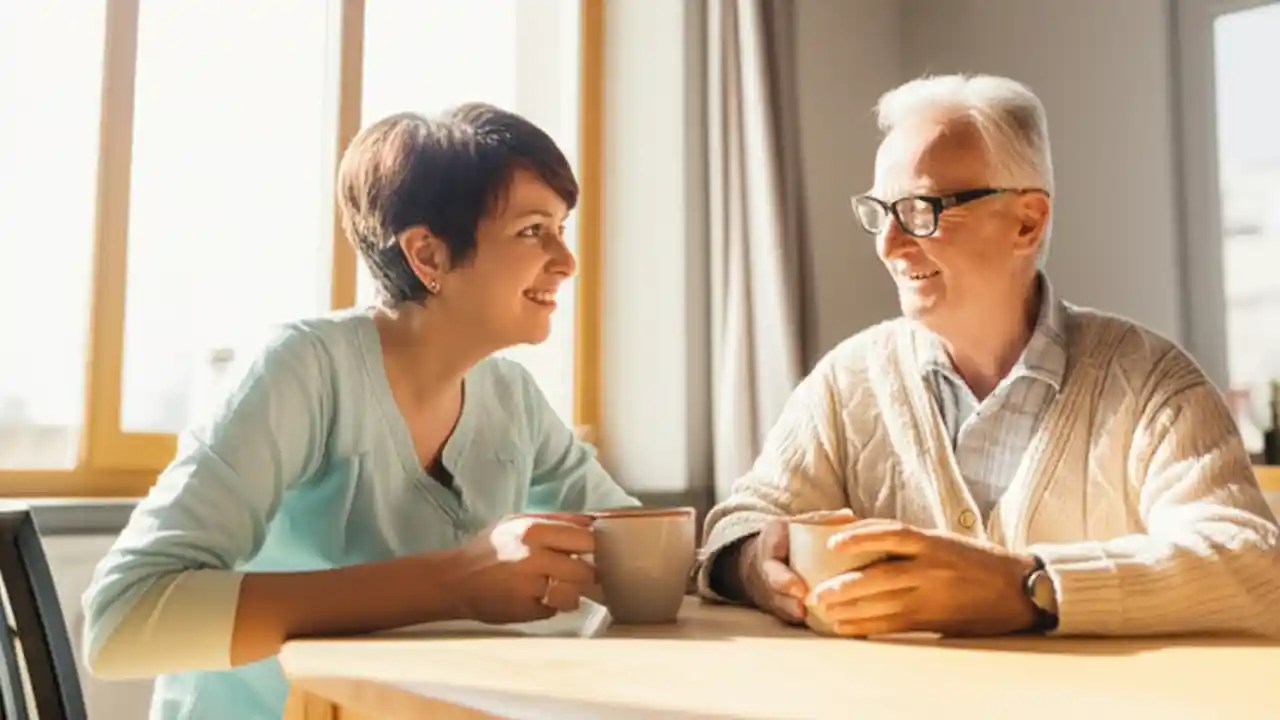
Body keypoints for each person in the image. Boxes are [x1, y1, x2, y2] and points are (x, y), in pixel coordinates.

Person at [83, 103, 638, 719]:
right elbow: (121, 621)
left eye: (562, 228)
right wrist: (455, 581)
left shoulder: (512, 397)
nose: (567, 261)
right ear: (428, 255)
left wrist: (742, 559)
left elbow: (634, 546)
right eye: (534, 230)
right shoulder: (303, 370)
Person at [695, 74, 1280, 638]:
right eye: (881, 211)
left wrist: (1028, 588)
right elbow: (739, 524)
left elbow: (1253, 566)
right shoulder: (846, 381)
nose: (889, 244)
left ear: (1027, 221)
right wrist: (751, 566)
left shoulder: (1151, 383)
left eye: (921, 209)